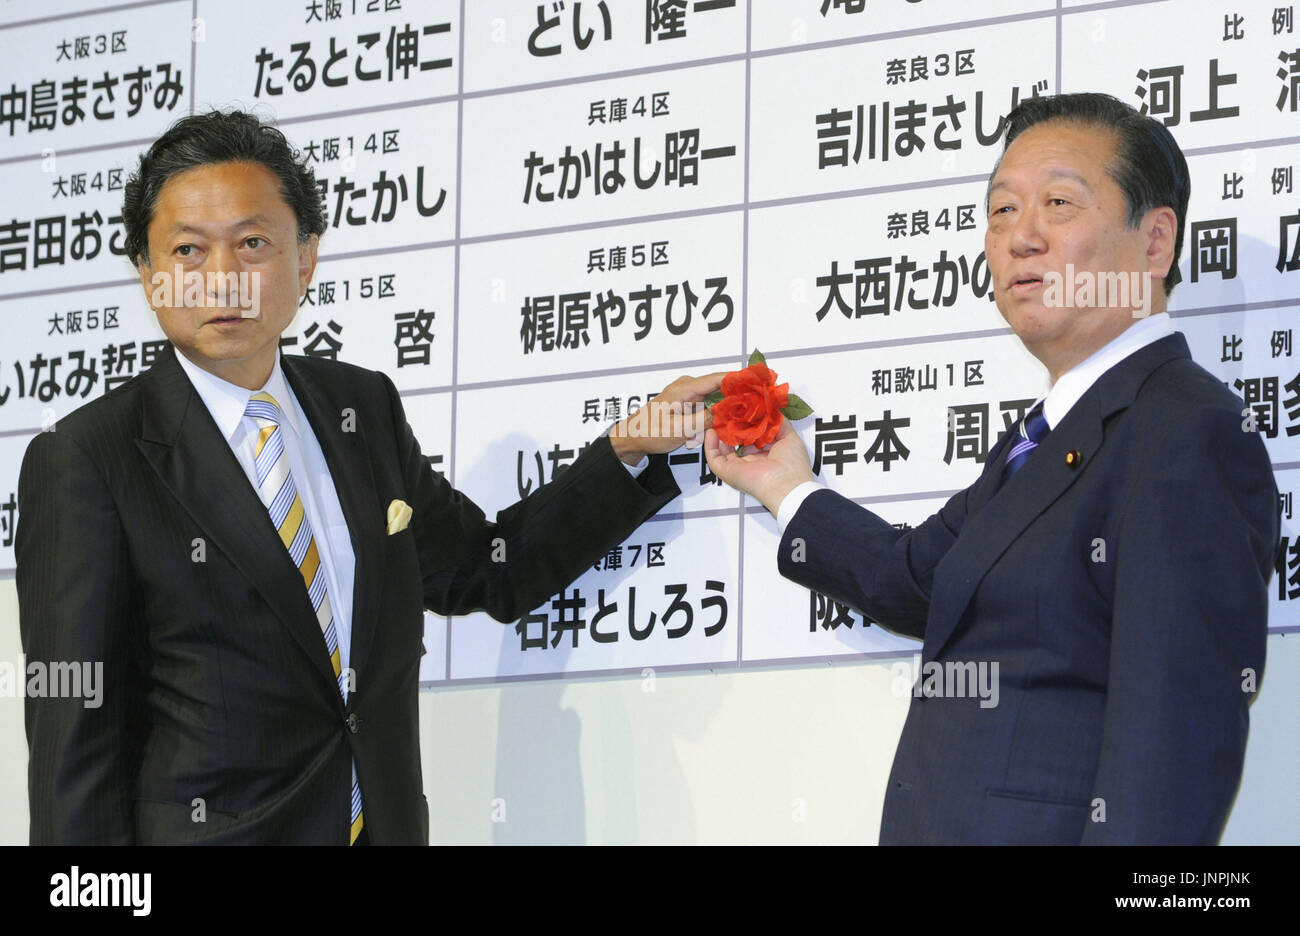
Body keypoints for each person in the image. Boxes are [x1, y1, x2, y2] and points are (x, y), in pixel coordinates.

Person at [16, 109, 718, 844]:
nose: (221, 281)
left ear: (306, 258)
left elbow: (486, 569)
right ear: (149, 275)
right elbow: (75, 742)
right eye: (188, 251)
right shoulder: (89, 458)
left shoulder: (360, 410)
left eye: (252, 244)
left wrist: (633, 449)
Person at [704, 92, 1280, 844]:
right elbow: (922, 580)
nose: (1020, 237)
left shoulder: (1186, 430)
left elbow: (1173, 749)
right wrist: (784, 484)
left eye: (1059, 202)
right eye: (1002, 210)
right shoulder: (1048, 434)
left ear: (1155, 243)